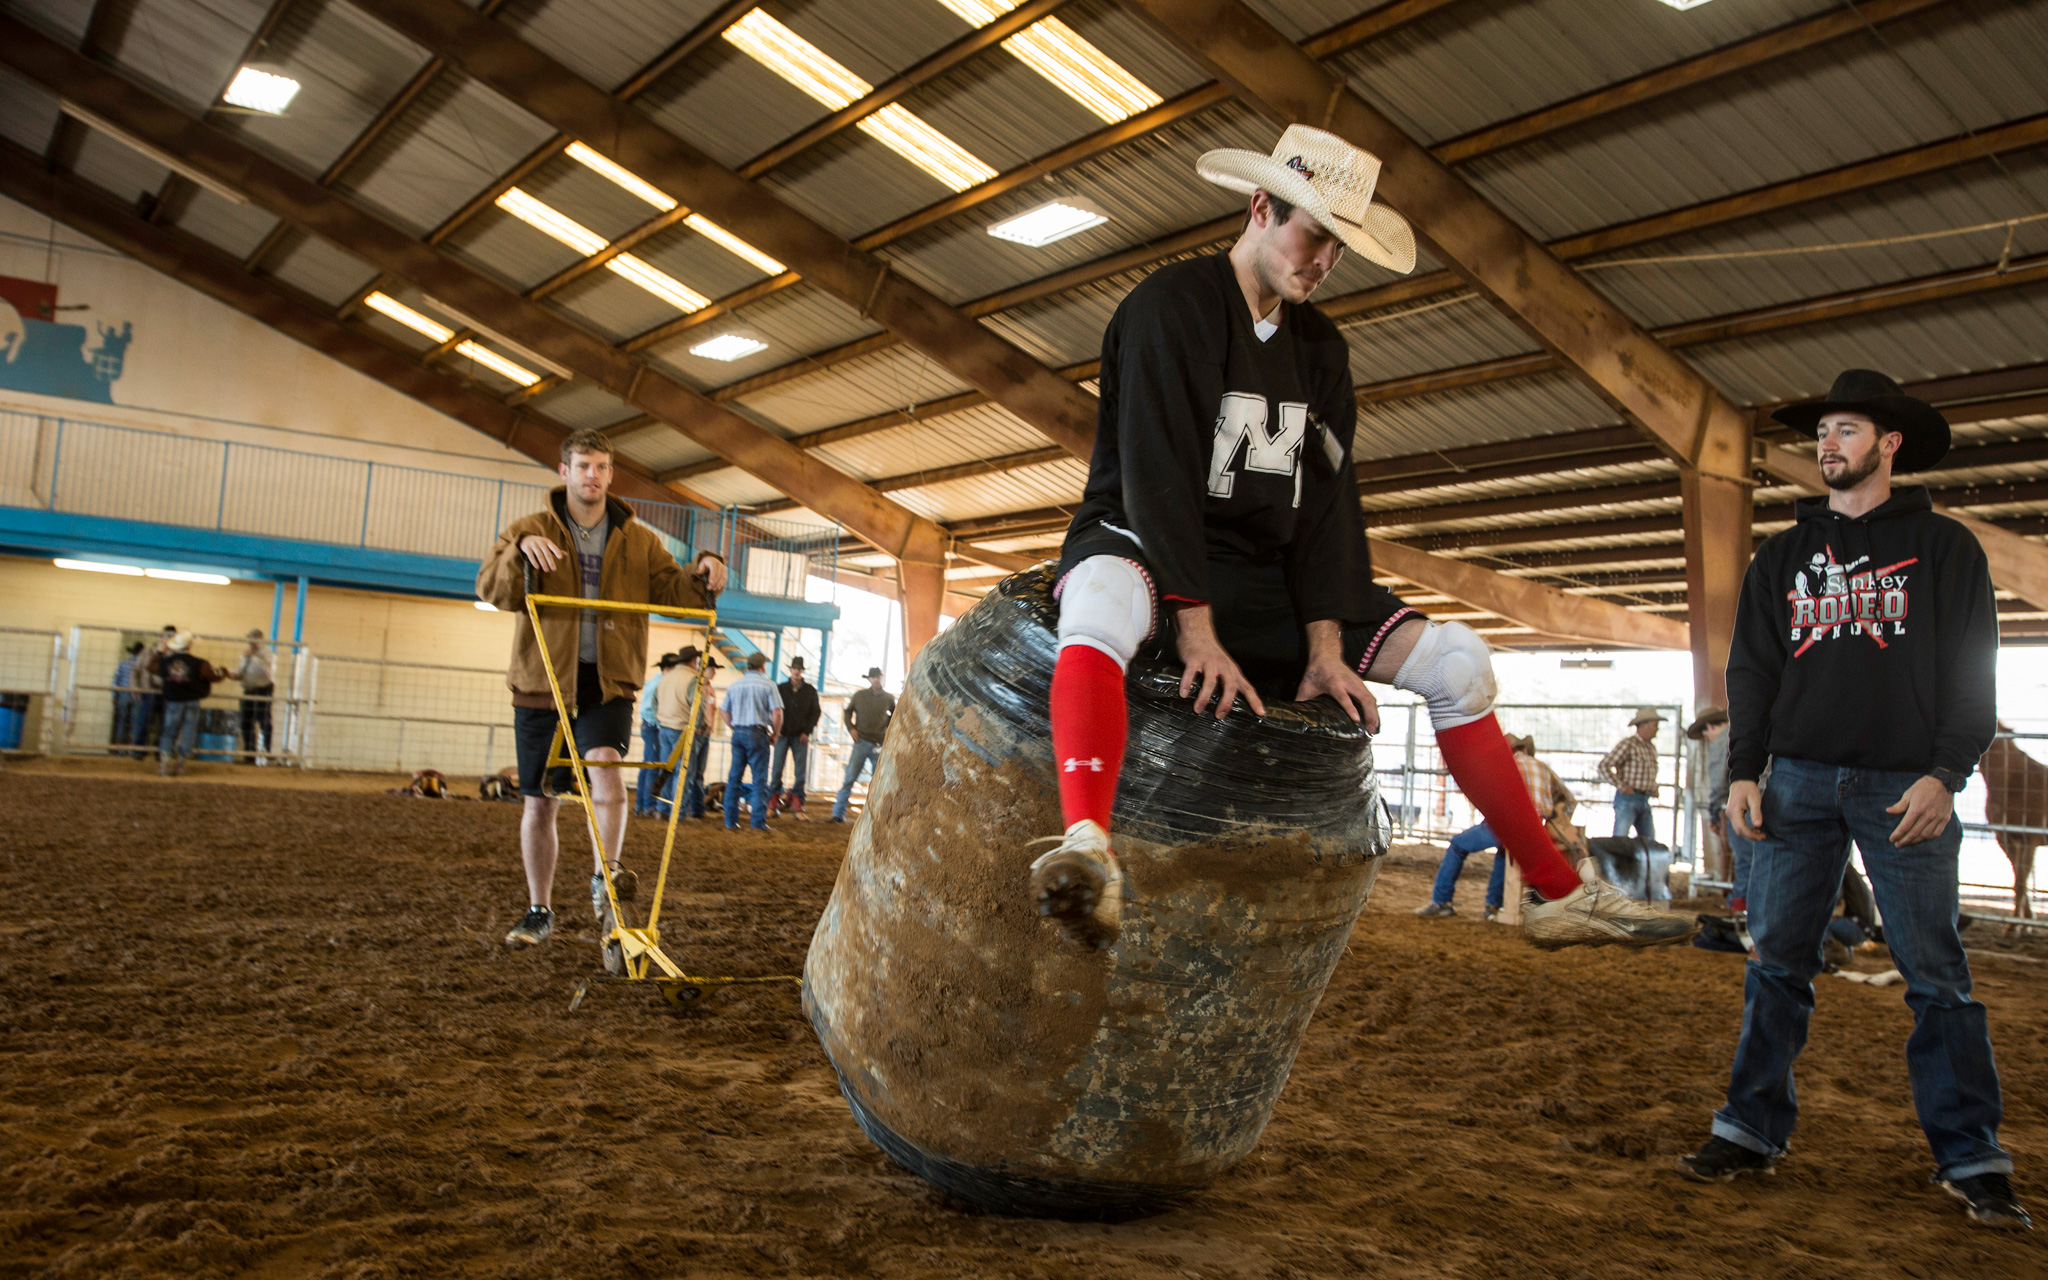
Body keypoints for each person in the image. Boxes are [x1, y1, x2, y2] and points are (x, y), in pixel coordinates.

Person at [1029, 124, 1689, 952]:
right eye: (1314, 236)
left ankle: (1557, 892)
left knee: (1461, 664)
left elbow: (1329, 512)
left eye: (1339, 247)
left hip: (1265, 573)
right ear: (1261, 207)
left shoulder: (1323, 352)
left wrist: (1326, 647)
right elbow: (1156, 472)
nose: (1323, 262)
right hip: (1147, 542)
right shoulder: (1170, 309)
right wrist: (1193, 625)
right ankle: (1087, 844)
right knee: (1098, 600)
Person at [1680, 369, 2027, 1230]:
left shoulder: (1946, 549)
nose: (1827, 446)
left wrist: (1946, 774)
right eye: (1822, 433)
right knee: (1775, 962)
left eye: (1844, 431)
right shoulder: (1784, 556)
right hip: (1794, 779)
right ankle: (1751, 1128)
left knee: (1938, 977)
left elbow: (1973, 671)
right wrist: (1745, 772)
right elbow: (1753, 670)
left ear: (1888, 443)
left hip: (1900, 787)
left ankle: (1971, 1155)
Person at [475, 428, 727, 950]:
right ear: (564, 471)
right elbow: (492, 589)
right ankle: (539, 909)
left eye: (602, 467)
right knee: (539, 801)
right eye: (583, 465)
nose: (593, 475)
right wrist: (521, 550)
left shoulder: (639, 539)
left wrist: (705, 568)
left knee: (606, 769)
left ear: (612, 475)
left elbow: (676, 590)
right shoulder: (530, 528)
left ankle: (605, 880)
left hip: (608, 682)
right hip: (543, 681)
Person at [1418, 733, 1577, 922]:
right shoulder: (1542, 767)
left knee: (1458, 844)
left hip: (1508, 824)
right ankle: (1492, 906)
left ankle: (1441, 901)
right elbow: (1569, 800)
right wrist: (1552, 823)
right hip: (1536, 829)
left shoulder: (1504, 765)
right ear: (1524, 750)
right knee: (1505, 852)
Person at [721, 653, 782, 831]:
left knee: (734, 779)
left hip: (739, 732)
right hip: (758, 733)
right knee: (759, 781)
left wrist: (734, 727)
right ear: (762, 666)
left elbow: (724, 710)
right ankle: (758, 822)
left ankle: (730, 821)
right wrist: (775, 733)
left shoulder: (735, 685)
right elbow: (777, 712)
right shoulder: (768, 685)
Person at [150, 633, 224, 776]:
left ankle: (164, 764)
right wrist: (224, 671)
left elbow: (151, 667)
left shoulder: (166, 662)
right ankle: (180, 765)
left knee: (169, 730)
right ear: (189, 646)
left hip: (173, 701)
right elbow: (214, 676)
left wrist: (160, 651)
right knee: (189, 731)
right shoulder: (199, 663)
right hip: (192, 701)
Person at [658, 646, 717, 819]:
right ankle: (679, 811)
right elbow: (698, 706)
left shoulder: (666, 677)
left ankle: (662, 808)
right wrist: (702, 725)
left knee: (666, 770)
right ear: (693, 661)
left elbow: (655, 701)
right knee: (684, 772)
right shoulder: (692, 679)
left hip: (664, 728)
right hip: (683, 730)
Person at [831, 667, 895, 824]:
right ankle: (838, 813)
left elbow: (894, 715)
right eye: (873, 677)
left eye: (877, 677)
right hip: (862, 742)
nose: (876, 679)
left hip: (878, 742)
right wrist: (851, 728)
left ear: (881, 678)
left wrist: (887, 730)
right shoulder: (860, 696)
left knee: (878, 781)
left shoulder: (888, 698)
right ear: (869, 679)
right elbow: (848, 712)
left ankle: (876, 816)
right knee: (850, 778)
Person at [1686, 705, 1737, 904]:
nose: (1707, 738)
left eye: (1705, 734)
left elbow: (1718, 781)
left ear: (1709, 727)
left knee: (1744, 861)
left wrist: (1714, 814)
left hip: (1743, 807)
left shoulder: (1722, 741)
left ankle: (1740, 910)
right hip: (1766, 803)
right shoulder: (1745, 734)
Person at [1599, 708, 1664, 844]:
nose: (1657, 729)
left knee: (1649, 840)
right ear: (1643, 725)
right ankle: (1618, 863)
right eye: (1654, 725)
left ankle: (1644, 864)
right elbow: (1604, 766)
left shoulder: (1650, 747)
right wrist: (1622, 786)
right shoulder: (1628, 744)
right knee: (1620, 839)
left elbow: (1649, 771)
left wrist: (1653, 786)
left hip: (1644, 798)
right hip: (1627, 799)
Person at [767, 656, 821, 818]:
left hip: (799, 736)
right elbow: (773, 709)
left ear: (802, 671)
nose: (797, 671)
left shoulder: (809, 691)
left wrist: (807, 731)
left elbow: (815, 713)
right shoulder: (780, 688)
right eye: (795, 669)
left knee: (800, 772)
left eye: (799, 669)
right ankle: (776, 802)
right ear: (791, 670)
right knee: (777, 769)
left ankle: (795, 803)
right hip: (784, 734)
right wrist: (776, 729)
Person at [635, 652, 678, 817]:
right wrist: (660, 722)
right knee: (653, 766)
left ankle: (642, 804)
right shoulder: (659, 684)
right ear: (668, 668)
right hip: (654, 726)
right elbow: (649, 708)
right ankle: (649, 805)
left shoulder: (655, 682)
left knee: (648, 765)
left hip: (650, 726)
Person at [232, 629, 275, 763]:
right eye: (249, 639)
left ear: (259, 639)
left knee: (264, 721)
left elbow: (267, 671)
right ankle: (249, 754)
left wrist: (253, 657)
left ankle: (269, 750)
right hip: (249, 689)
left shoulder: (267, 653)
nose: (250, 642)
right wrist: (233, 674)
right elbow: (241, 672)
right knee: (246, 722)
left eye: (253, 639)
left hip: (263, 689)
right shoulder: (246, 654)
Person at [111, 641, 144, 755]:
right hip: (138, 694)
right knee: (135, 722)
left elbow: (116, 680)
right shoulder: (143, 666)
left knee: (122, 721)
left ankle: (120, 748)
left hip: (123, 693)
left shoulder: (124, 663)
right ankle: (132, 749)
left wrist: (115, 696)